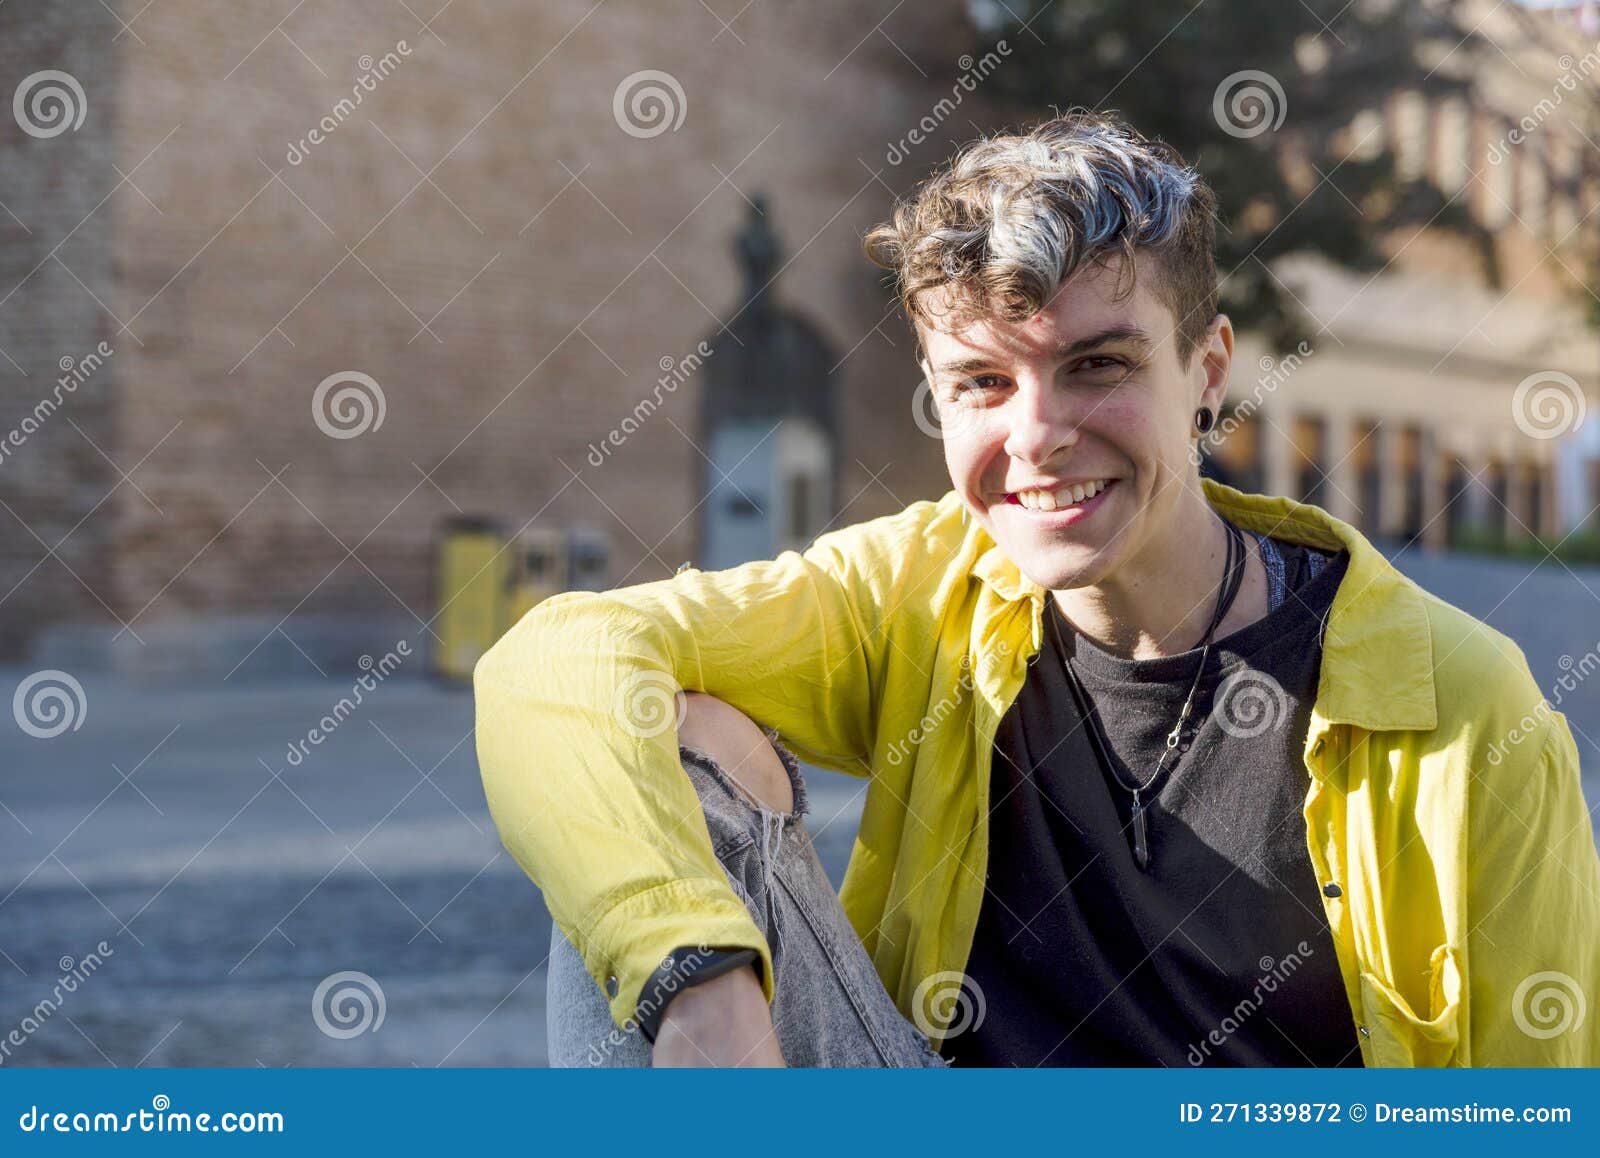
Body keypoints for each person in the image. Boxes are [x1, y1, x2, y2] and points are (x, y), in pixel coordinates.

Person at [474, 110, 1600, 1067]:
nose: (1038, 437)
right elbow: (553, 661)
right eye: (980, 382)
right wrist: (700, 982)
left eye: (1095, 365)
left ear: (1204, 373)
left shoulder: (1456, 706)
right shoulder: (922, 593)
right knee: (670, 751)